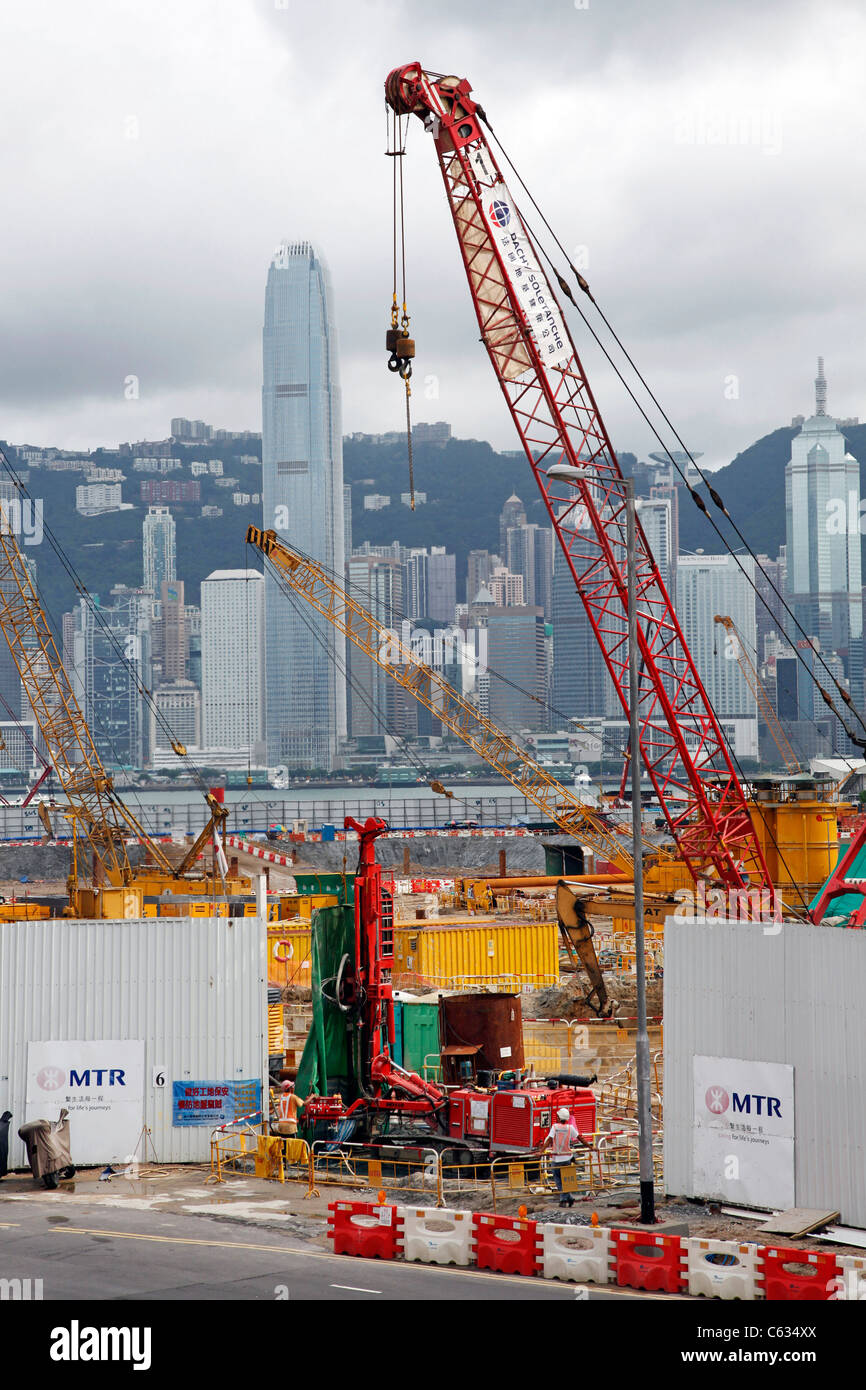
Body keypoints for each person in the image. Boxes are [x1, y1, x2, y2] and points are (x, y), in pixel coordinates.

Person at [543, 1106, 587, 1207]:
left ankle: (563, 1200)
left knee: (558, 1180)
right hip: (567, 1158)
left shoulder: (554, 1127)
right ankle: (569, 1198)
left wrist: (541, 1151)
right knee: (565, 1180)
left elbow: (549, 1140)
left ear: (559, 1117)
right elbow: (580, 1138)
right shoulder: (570, 1128)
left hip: (556, 1158)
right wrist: (590, 1147)